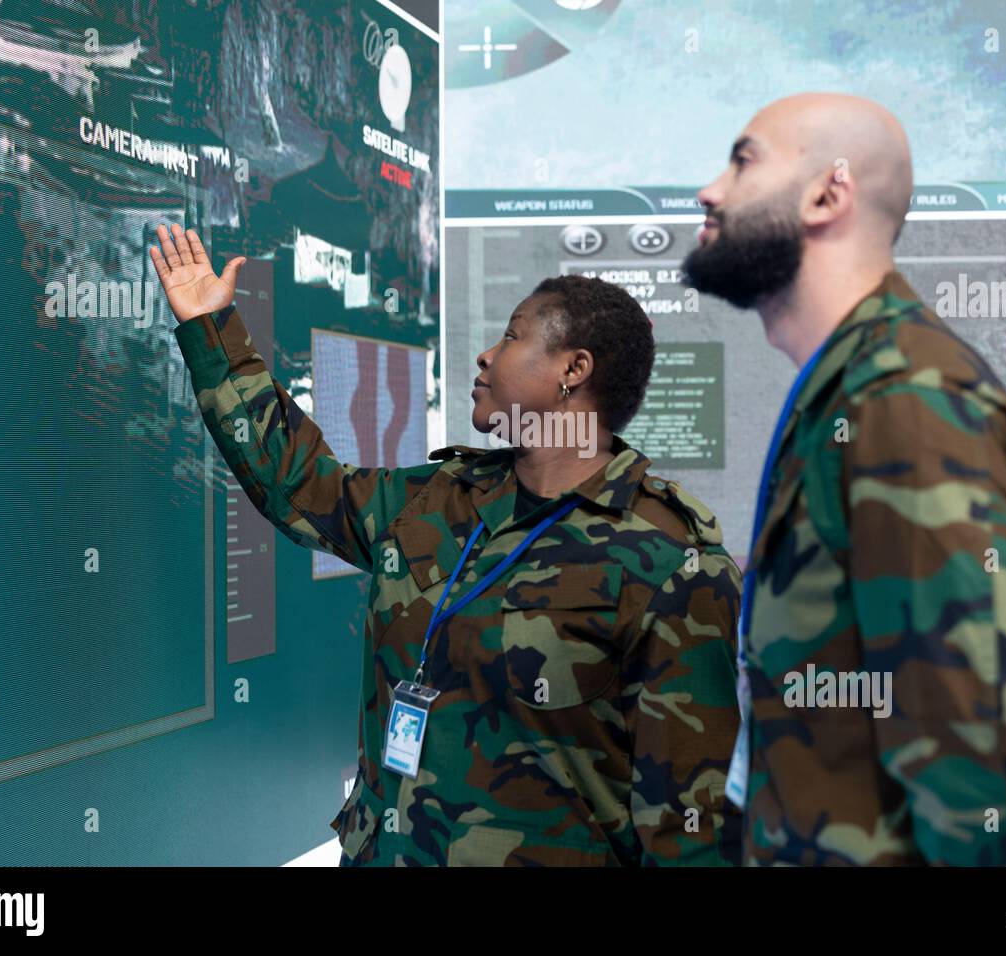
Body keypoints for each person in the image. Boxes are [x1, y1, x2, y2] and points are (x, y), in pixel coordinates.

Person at [149, 223, 743, 865]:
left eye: (513, 336)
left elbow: (690, 831)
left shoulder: (670, 561)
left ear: (574, 370)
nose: (486, 356)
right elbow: (298, 484)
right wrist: (213, 332)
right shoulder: (437, 497)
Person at [681, 93, 1006, 866]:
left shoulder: (903, 399)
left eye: (742, 161)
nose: (710, 190)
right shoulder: (849, 388)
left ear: (827, 194)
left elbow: (995, 766)